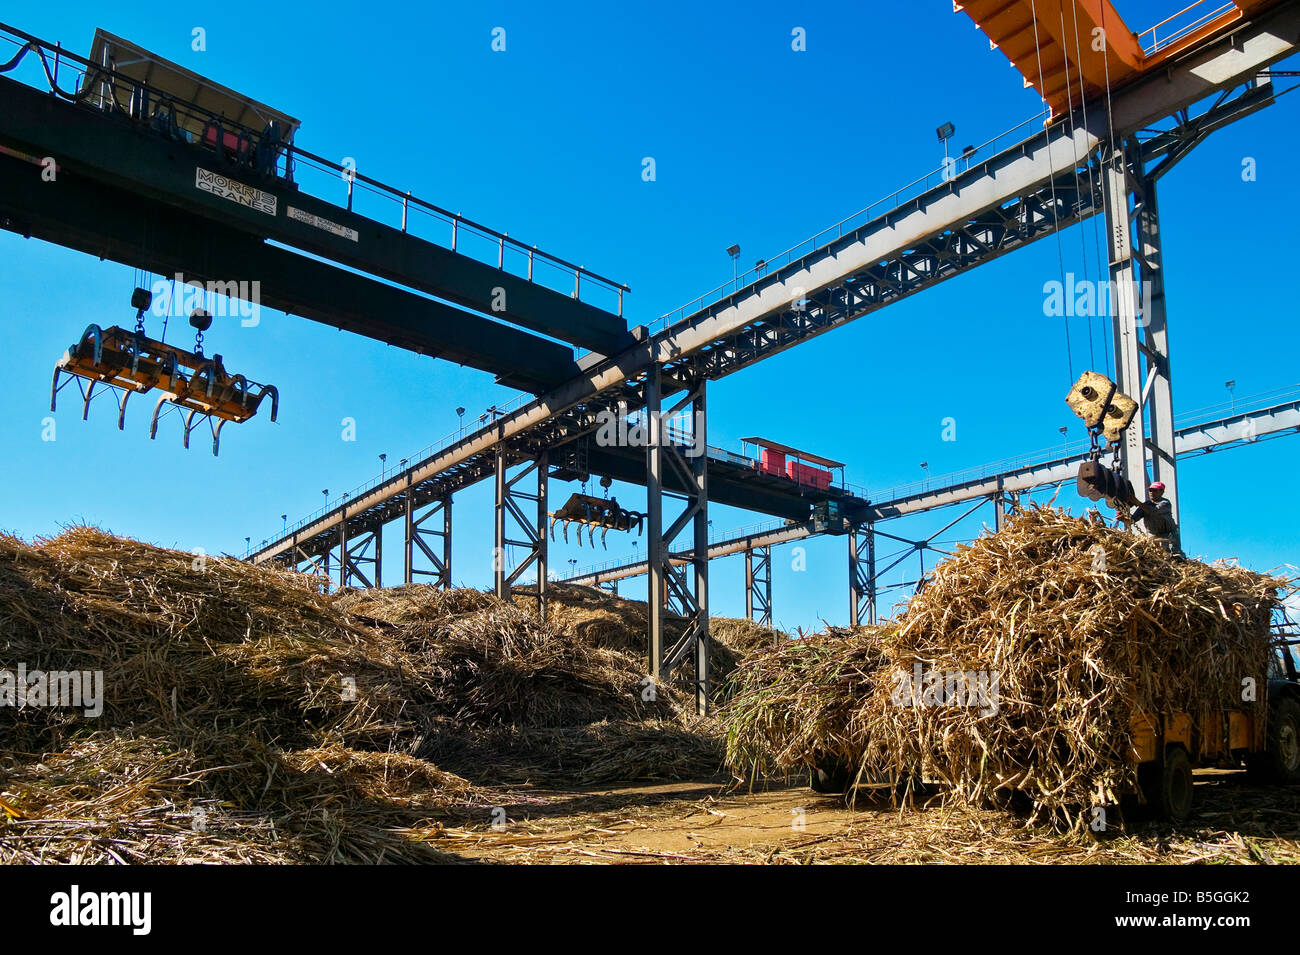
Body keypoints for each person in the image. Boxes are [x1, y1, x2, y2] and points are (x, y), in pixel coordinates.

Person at [1131, 481, 1181, 554]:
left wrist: (1137, 502)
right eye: (1150, 490)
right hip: (1154, 535)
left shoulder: (1165, 503)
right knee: (1158, 555)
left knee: (1175, 555)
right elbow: (1132, 520)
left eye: (1154, 490)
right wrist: (1123, 517)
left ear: (1162, 491)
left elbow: (1153, 511)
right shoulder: (1145, 505)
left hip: (1169, 534)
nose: (1151, 492)